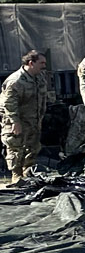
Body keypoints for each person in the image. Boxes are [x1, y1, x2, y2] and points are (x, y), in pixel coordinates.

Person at [2, 50, 49, 182]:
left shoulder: (39, 77)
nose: (44, 66)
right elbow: (9, 103)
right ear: (31, 63)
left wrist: (40, 118)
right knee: (16, 150)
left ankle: (28, 174)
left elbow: (43, 98)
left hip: (33, 120)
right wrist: (15, 122)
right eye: (41, 63)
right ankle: (17, 177)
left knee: (32, 148)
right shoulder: (16, 81)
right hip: (18, 122)